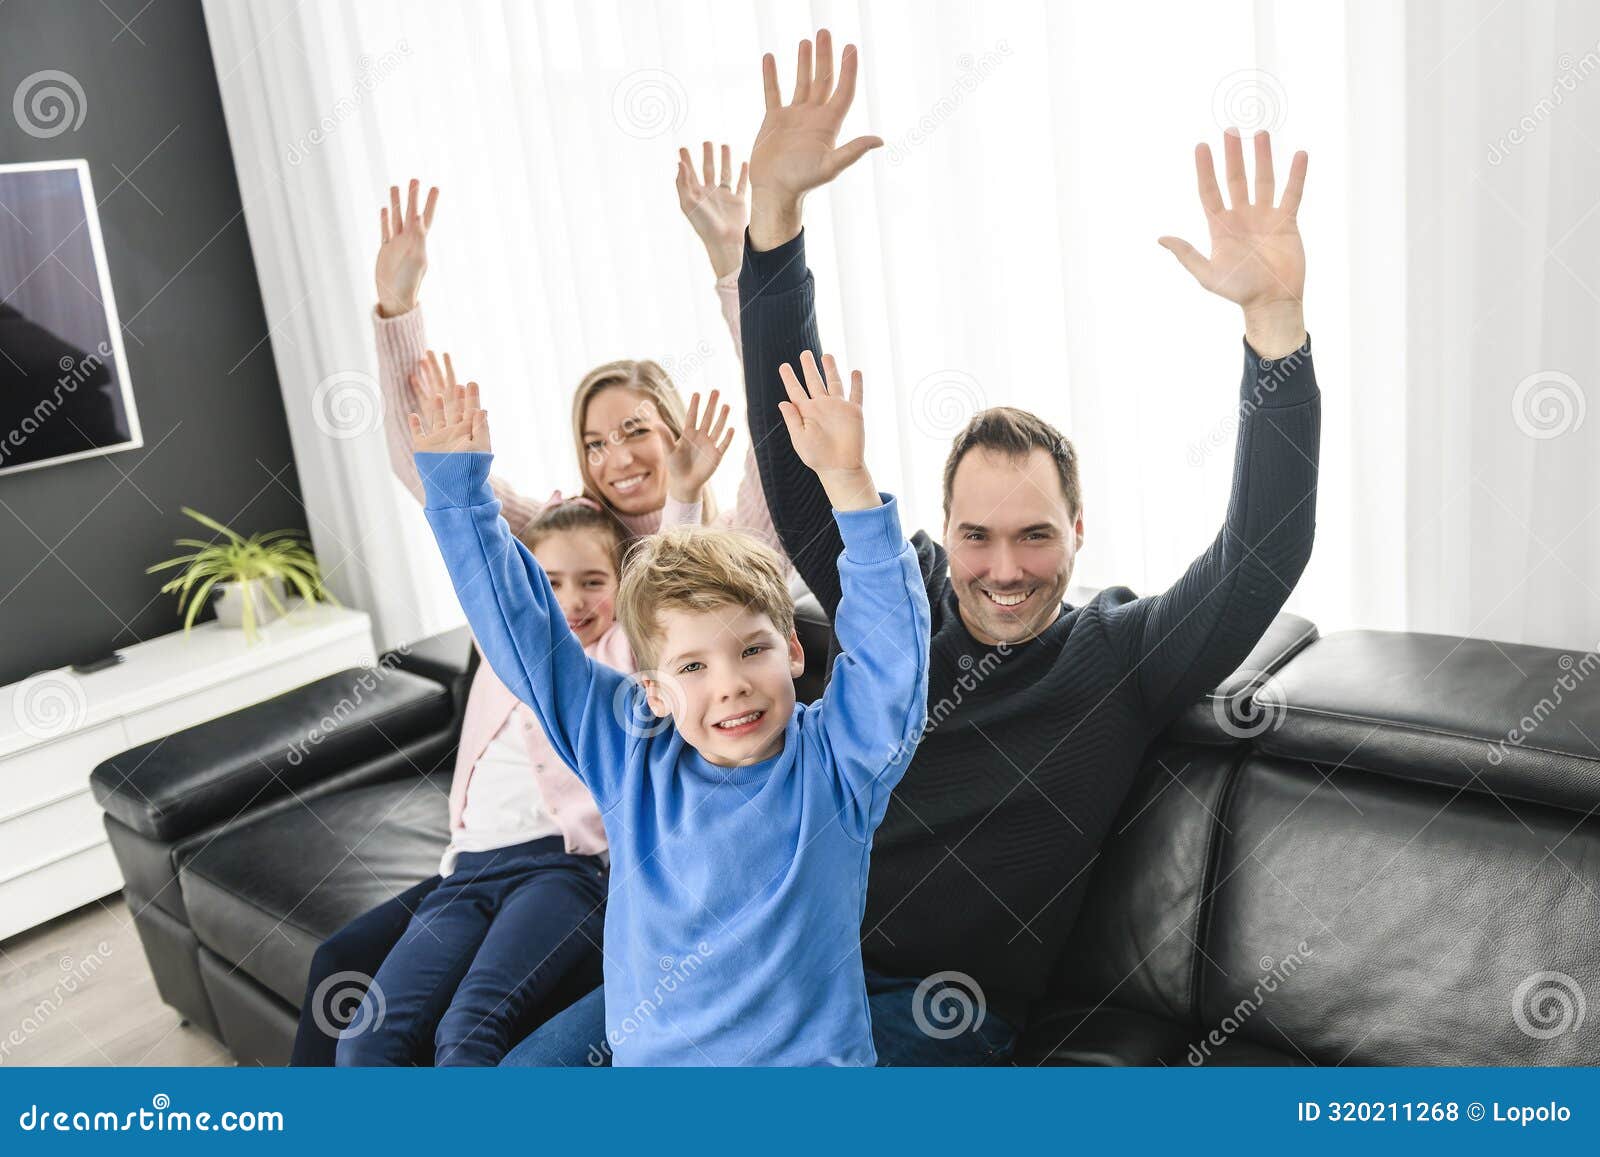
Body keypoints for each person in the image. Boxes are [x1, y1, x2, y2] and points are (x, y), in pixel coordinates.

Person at [505, 28, 1319, 1066]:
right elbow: (796, 444)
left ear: (1079, 532)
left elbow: (1263, 551)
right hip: (752, 960)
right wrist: (776, 225)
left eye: (1035, 536)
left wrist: (1274, 327)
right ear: (941, 529)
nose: (1004, 567)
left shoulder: (1120, 657)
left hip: (931, 1012)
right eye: (975, 535)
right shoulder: (893, 600)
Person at [291, 147, 782, 1065]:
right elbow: (434, 474)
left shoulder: (729, 555)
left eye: (636, 428)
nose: (616, 456)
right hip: (482, 853)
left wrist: (732, 266)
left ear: (679, 426)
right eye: (596, 440)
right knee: (341, 979)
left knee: (453, 1034)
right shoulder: (567, 534)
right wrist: (398, 311)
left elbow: (776, 441)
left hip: (585, 860)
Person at [408, 347, 930, 1065]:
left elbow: (891, 657)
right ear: (652, 690)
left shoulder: (838, 764)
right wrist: (459, 492)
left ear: (794, 651)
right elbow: (528, 639)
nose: (731, 684)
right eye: (692, 665)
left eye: (752, 650)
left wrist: (848, 480)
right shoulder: (631, 753)